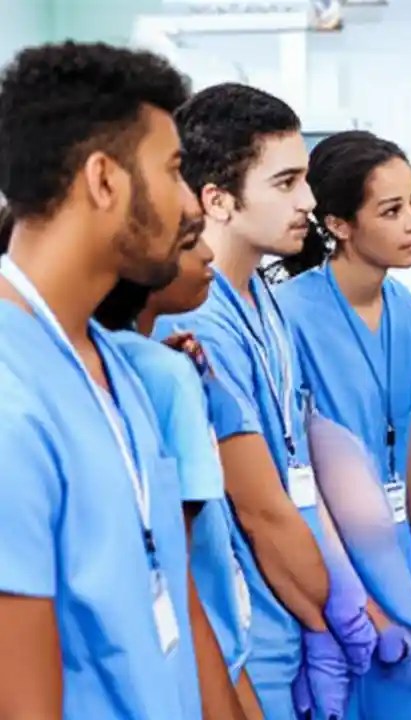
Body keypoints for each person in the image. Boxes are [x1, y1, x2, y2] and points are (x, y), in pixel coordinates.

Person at [0, 41, 230, 718]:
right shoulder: (11, 398)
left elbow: (170, 585)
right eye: (174, 171)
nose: (191, 205)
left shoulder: (112, 363)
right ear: (104, 180)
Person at [156, 82, 377, 719]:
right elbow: (259, 510)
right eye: (286, 183)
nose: (308, 200)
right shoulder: (200, 325)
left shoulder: (267, 301)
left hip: (296, 598)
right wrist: (327, 617)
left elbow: (294, 460)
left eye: (305, 178)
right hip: (255, 621)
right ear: (217, 201)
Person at [272, 130, 411, 719]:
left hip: (403, 555)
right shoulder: (292, 314)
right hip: (332, 567)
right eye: (391, 211)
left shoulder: (405, 307)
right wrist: (362, 603)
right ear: (339, 225)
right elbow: (297, 475)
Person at [95, 217, 267, 719]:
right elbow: (177, 565)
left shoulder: (133, 362)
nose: (209, 254)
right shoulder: (165, 375)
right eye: (189, 243)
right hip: (198, 647)